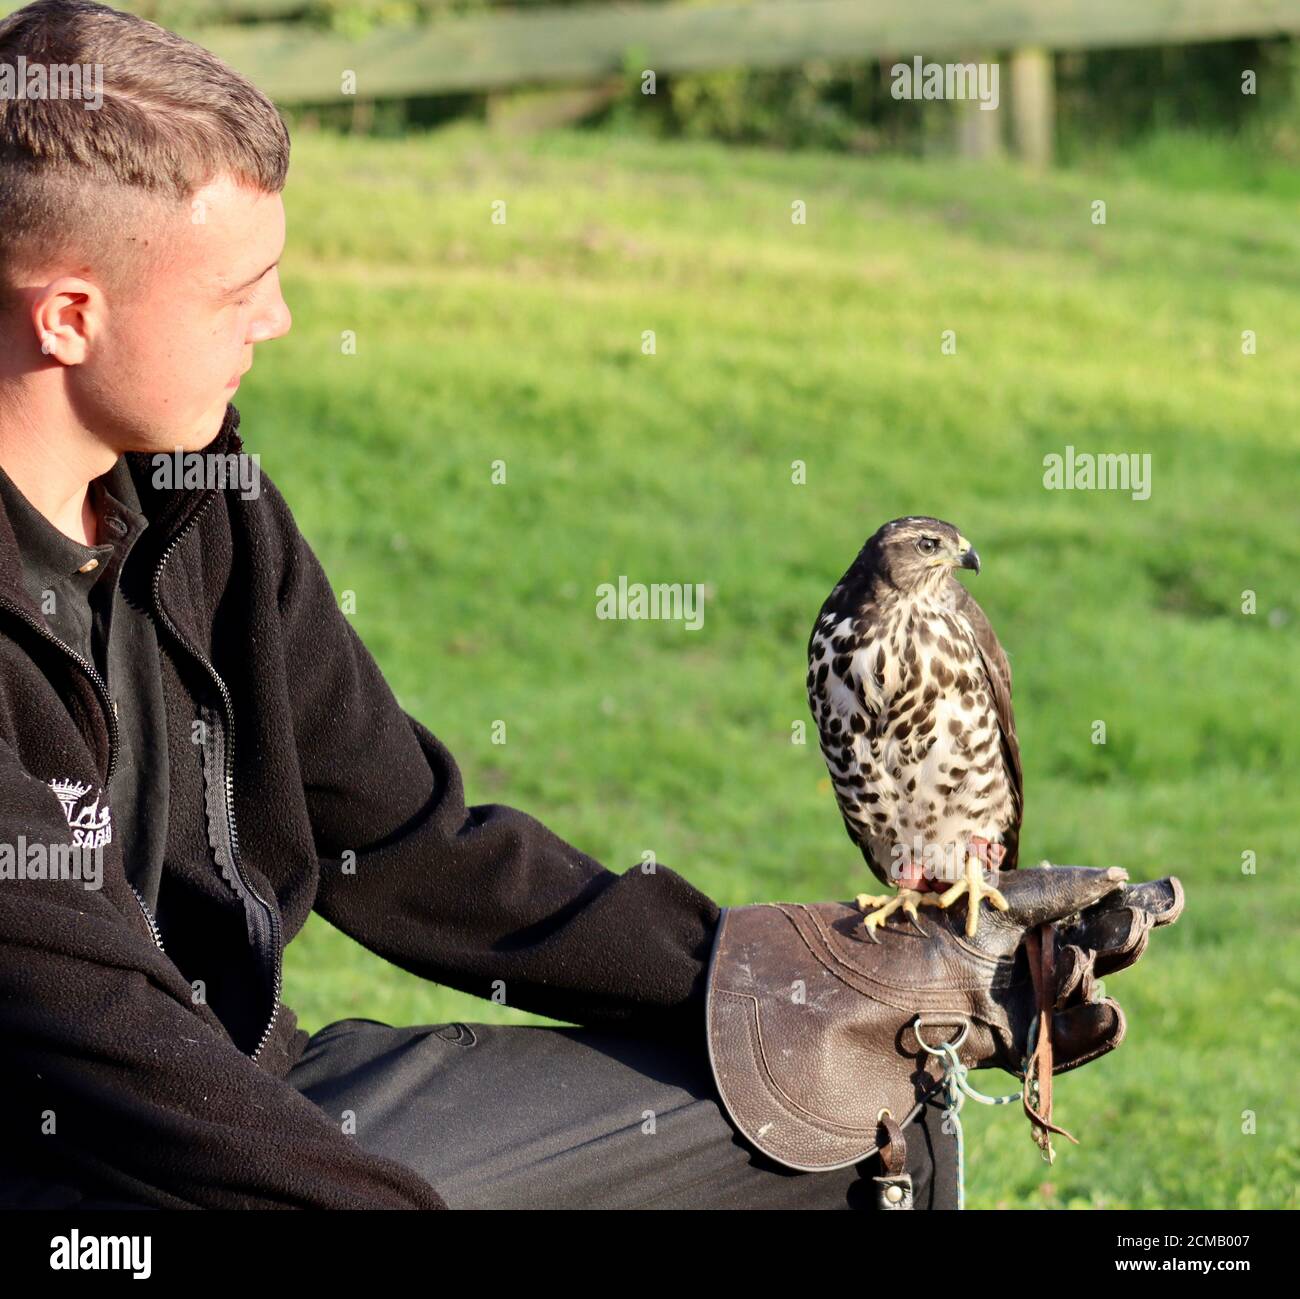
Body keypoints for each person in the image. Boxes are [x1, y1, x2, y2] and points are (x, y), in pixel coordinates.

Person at [0, 0, 1178, 1211]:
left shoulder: (200, 500)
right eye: (236, 291)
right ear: (71, 315)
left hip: (255, 1099)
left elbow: (409, 843)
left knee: (840, 1104)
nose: (279, 320)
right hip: (73, 1170)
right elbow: (99, 1031)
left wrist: (780, 980)